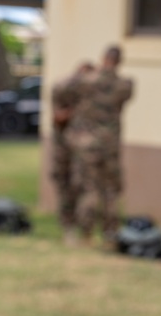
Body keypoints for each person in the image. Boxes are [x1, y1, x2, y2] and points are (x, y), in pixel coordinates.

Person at [68, 45, 134, 248]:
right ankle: (110, 234)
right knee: (110, 191)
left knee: (89, 188)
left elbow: (70, 88)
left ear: (104, 58)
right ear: (119, 61)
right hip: (110, 144)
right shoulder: (125, 84)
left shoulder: (88, 80)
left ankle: (85, 234)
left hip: (88, 142)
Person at [51, 60, 95, 246]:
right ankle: (69, 227)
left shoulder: (92, 94)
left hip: (83, 149)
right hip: (65, 147)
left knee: (82, 186)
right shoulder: (64, 88)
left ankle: (84, 229)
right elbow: (57, 118)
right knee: (66, 185)